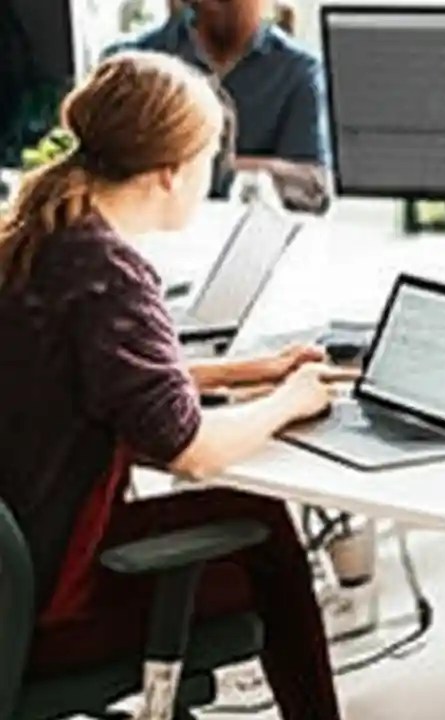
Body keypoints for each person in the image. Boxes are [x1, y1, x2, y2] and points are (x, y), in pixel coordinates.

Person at [0, 51, 344, 719]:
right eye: (208, 156)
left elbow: (96, 379)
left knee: (254, 521)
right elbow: (192, 449)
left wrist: (249, 372)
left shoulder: (41, 235)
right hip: (48, 607)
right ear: (167, 172)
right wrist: (293, 399)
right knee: (263, 531)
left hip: (14, 576)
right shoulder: (110, 271)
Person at [104, 0, 330, 212]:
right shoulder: (131, 63)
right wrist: (262, 169)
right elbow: (113, 171)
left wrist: (205, 167)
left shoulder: (299, 70)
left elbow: (311, 185)